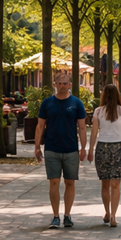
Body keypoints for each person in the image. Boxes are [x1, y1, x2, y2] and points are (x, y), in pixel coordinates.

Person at [34, 70, 87, 229]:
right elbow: (40, 126)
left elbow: (82, 127)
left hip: (71, 149)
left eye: (65, 83)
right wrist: (37, 146)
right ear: (55, 84)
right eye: (60, 83)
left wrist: (83, 147)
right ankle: (56, 216)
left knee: (70, 182)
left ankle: (67, 215)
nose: (63, 86)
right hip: (52, 148)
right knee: (54, 182)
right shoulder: (47, 103)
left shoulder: (76, 103)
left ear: (70, 84)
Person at [87, 83, 121, 227]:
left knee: (105, 183)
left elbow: (94, 133)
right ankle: (113, 215)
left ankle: (108, 212)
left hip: (102, 148)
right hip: (119, 148)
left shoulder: (98, 112)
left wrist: (90, 150)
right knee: (116, 184)